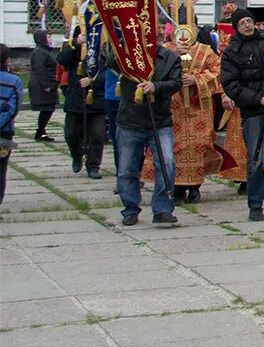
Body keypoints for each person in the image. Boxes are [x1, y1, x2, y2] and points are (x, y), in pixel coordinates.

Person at [220, 8, 264, 221]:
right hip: (252, 110)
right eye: (242, 22)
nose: (247, 25)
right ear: (236, 27)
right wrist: (258, 98)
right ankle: (255, 205)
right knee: (254, 157)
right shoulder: (232, 52)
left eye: (249, 21)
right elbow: (231, 84)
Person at [147, 30, 222, 201]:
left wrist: (196, 79)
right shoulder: (166, 49)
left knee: (198, 146)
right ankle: (177, 186)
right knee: (175, 148)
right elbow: (154, 70)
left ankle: (195, 186)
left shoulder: (206, 51)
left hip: (198, 109)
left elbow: (217, 71)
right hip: (172, 108)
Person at [115, 42, 183, 226]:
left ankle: (162, 209)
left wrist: (156, 86)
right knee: (126, 169)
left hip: (159, 121)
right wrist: (119, 42)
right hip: (130, 119)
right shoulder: (127, 52)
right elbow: (110, 61)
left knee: (166, 163)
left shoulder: (169, 57)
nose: (157, 31)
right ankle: (130, 208)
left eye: (160, 29)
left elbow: (176, 83)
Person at [59, 31, 107, 178]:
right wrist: (75, 43)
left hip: (96, 99)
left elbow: (110, 71)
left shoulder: (103, 47)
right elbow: (62, 60)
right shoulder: (74, 47)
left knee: (97, 135)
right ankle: (76, 155)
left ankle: (93, 166)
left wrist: (93, 80)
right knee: (71, 134)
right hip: (76, 98)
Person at [28, 29, 58, 142]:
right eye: (48, 37)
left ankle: (41, 131)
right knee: (47, 108)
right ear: (42, 39)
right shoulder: (39, 52)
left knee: (49, 108)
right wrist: (45, 85)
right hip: (41, 84)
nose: (50, 39)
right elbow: (39, 69)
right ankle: (40, 132)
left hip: (49, 82)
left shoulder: (46, 51)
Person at [0, 45, 21, 204]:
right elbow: (12, 109)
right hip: (5, 131)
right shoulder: (14, 81)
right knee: (1, 170)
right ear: (7, 60)